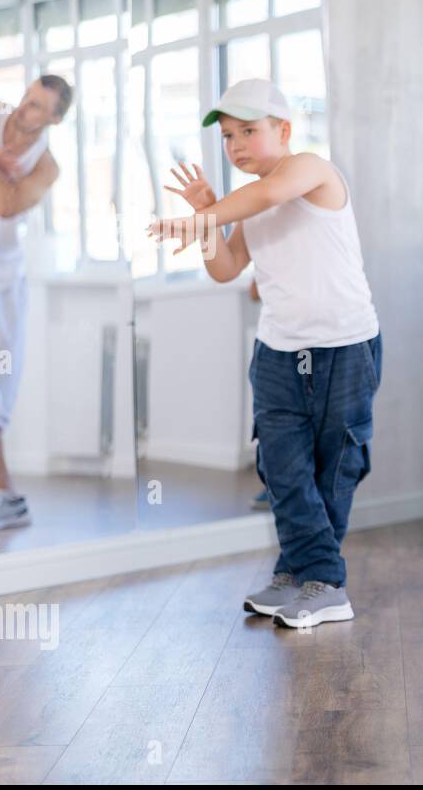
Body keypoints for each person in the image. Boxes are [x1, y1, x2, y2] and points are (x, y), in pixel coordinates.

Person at [149, 79, 381, 629]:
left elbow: (274, 193)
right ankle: (301, 573)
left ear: (283, 129)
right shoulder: (245, 203)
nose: (236, 144)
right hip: (278, 351)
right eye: (228, 135)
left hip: (344, 347)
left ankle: (321, 582)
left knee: (333, 469)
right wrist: (209, 213)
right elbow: (226, 269)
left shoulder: (311, 169)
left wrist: (208, 214)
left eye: (248, 131)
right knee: (282, 467)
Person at [0, 77, 72, 532]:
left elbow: (5, 204)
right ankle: (10, 496)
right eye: (27, 97)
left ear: (56, 119)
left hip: (2, 287)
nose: (25, 108)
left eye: (39, 106)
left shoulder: (46, 166)